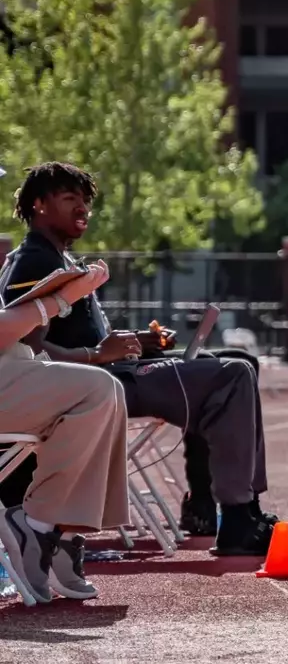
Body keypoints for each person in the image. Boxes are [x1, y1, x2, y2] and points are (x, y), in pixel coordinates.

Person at [7, 162, 288, 557]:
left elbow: (81, 338)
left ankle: (215, 508)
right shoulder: (33, 261)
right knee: (231, 374)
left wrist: (136, 341)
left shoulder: (57, 257)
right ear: (39, 205)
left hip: (111, 371)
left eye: (85, 201)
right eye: (70, 199)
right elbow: (29, 354)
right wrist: (99, 354)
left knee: (240, 361)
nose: (82, 208)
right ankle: (237, 516)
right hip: (95, 387)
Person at [0, 239, 126, 605]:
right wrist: (62, 298)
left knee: (107, 392)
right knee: (97, 389)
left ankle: (56, 531)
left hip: (14, 368)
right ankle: (41, 526)